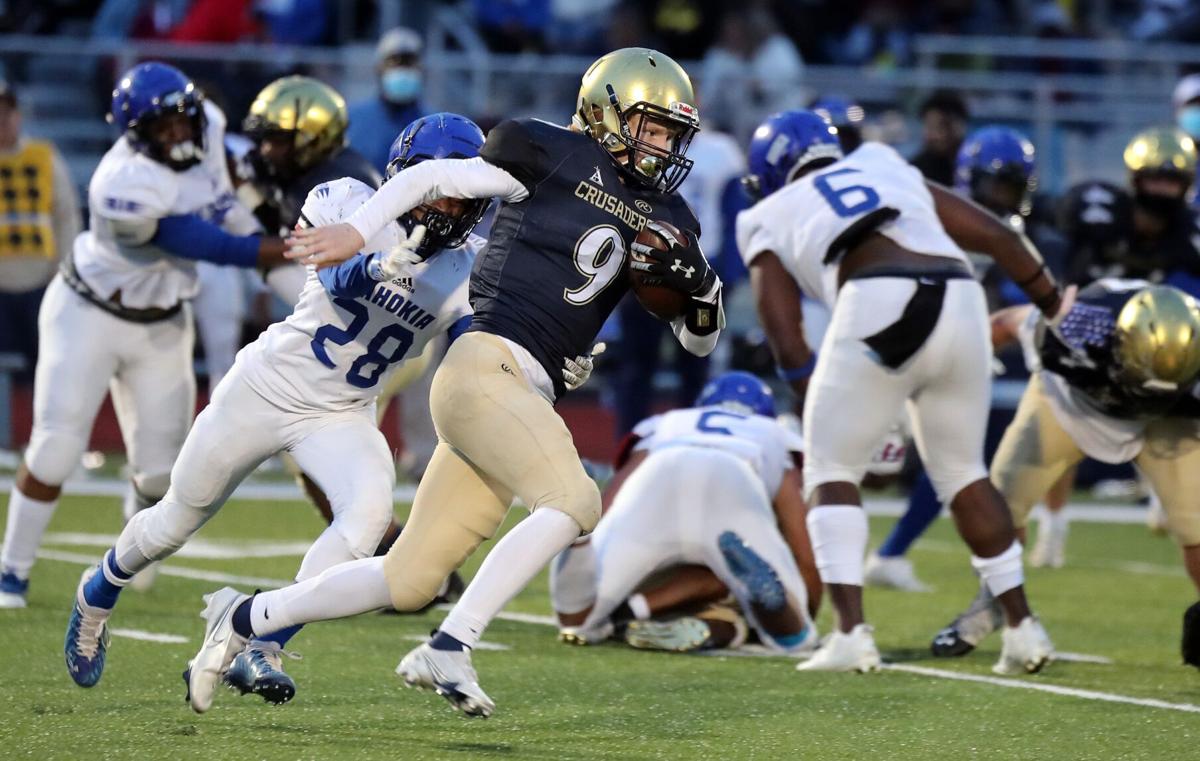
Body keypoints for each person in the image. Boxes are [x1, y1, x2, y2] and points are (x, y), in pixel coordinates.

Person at [182, 47, 722, 718]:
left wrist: (701, 286)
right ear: (605, 110)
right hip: (486, 366)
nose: (664, 145)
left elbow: (699, 336)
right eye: (652, 126)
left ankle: (245, 617)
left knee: (408, 578)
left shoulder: (671, 215)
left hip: (521, 392)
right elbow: (438, 173)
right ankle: (450, 644)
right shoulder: (547, 149)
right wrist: (359, 229)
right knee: (575, 502)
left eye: (673, 133)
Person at [62, 113, 497, 696]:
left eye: (459, 199)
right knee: (174, 523)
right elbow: (335, 275)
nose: (445, 209)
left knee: (367, 520)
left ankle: (262, 644)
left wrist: (538, 358)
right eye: (436, 191)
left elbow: (477, 342)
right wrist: (373, 265)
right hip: (267, 389)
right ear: (405, 175)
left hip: (343, 411)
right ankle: (96, 594)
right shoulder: (349, 200)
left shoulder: (471, 264)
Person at [737, 109, 1058, 674]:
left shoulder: (765, 212)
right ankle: (1023, 627)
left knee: (830, 470)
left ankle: (851, 635)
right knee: (963, 472)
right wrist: (1055, 307)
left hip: (878, 295)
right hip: (960, 298)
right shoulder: (883, 160)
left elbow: (786, 337)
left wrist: (822, 403)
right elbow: (999, 236)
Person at [0, 62, 287, 609]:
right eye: (161, 129)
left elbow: (224, 206)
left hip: (162, 321)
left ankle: (124, 554)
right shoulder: (121, 183)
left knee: (160, 477)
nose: (177, 134)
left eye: (180, 122)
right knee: (57, 448)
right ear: (137, 136)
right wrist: (287, 248)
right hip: (88, 312)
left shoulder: (209, 121)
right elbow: (203, 241)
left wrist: (265, 234)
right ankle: (11, 572)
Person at [931, 282, 1200, 659]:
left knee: (1196, 525)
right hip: (1066, 408)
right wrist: (948, 381)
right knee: (1000, 509)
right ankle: (990, 605)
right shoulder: (1076, 328)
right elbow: (1004, 323)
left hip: (1165, 420)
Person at [865, 125, 1069, 589]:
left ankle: (889, 555)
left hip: (928, 338)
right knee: (865, 461)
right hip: (899, 336)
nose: (1004, 195)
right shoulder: (945, 215)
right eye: (997, 183)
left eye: (1012, 185)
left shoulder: (986, 223)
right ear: (972, 179)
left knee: (948, 460)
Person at [551, 371, 820, 654]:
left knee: (577, 622)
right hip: (735, 480)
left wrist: (595, 532)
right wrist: (806, 610)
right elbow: (804, 548)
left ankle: (580, 546)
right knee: (795, 635)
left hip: (662, 469)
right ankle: (787, 628)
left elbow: (614, 499)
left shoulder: (668, 422)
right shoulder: (776, 434)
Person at [0, 79, 81, 384]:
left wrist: (62, 272)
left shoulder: (44, 156)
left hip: (42, 282)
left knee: (47, 366)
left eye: (7, 111)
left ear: (18, 115)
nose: (2, 120)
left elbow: (66, 215)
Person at [346, 27, 427, 174]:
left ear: (421, 69)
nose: (402, 71)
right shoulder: (352, 121)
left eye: (409, 64)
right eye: (394, 64)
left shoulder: (434, 123)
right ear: (379, 70)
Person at [909, 90, 968, 186]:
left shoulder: (977, 166)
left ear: (960, 126)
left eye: (941, 127)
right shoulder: (916, 171)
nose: (934, 135)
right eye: (929, 127)